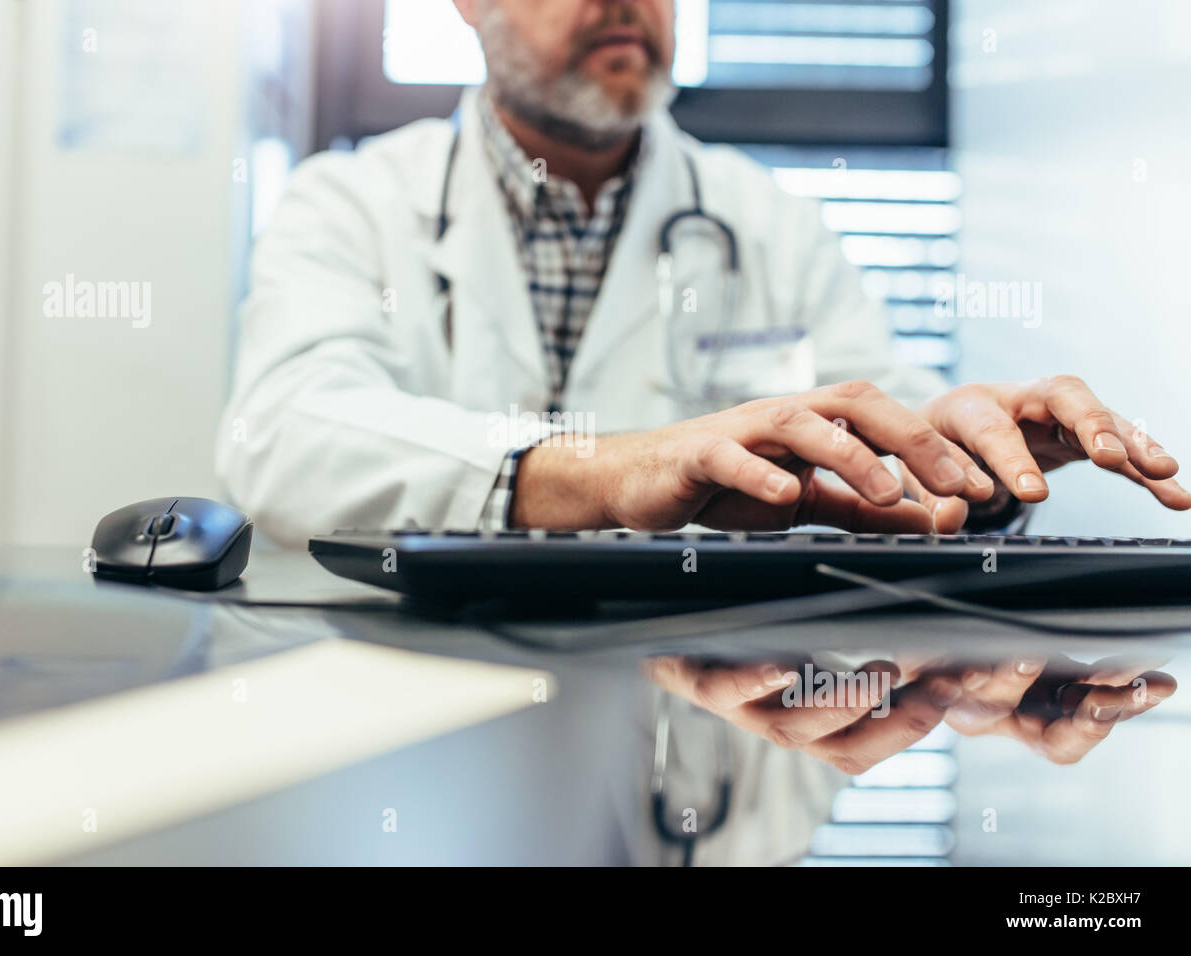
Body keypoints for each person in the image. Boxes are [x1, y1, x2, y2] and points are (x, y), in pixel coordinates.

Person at [216, 0, 1183, 863]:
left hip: (721, 730)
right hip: (415, 726)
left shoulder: (770, 226)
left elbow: (888, 420)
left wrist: (965, 461)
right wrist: (602, 473)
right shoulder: (348, 204)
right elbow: (286, 425)